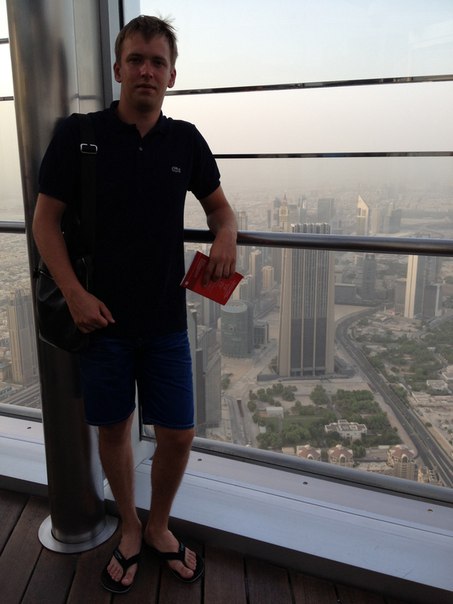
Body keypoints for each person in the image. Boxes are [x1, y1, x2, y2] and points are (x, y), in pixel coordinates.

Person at [32, 15, 237, 594]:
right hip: (101, 322)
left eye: (158, 62)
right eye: (137, 59)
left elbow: (220, 209)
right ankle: (128, 525)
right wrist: (75, 294)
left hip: (166, 319)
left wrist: (226, 234)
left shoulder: (186, 140)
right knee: (114, 429)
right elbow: (45, 221)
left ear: (172, 75)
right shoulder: (80, 135)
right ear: (118, 69)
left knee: (178, 434)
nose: (147, 70)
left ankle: (159, 526)